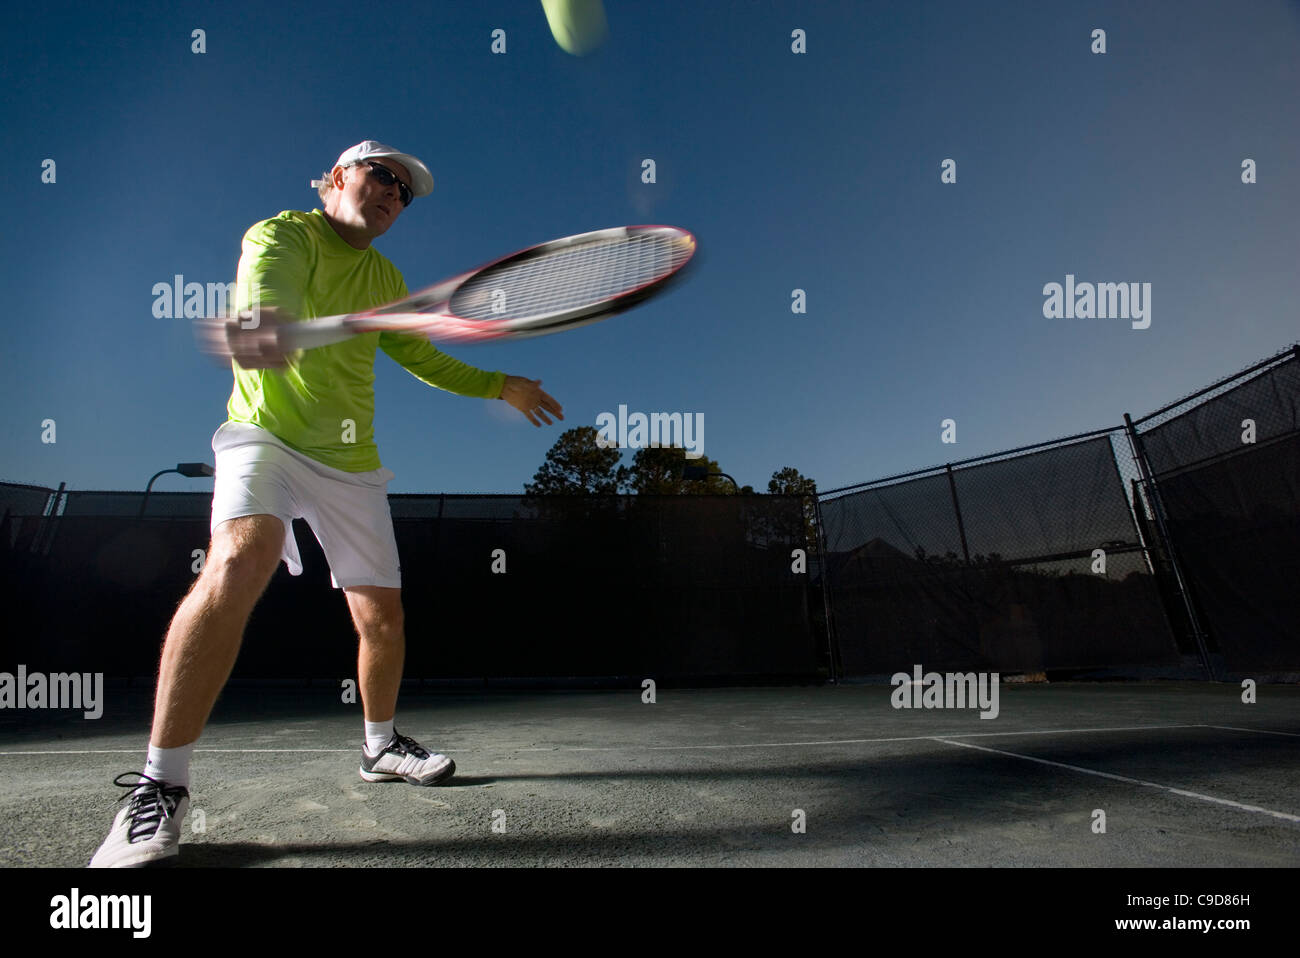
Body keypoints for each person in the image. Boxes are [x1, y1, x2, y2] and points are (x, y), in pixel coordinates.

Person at [90, 140, 563, 867]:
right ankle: (159, 788)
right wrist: (263, 328)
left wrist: (500, 384)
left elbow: (420, 356)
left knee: (382, 616)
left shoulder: (384, 276)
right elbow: (263, 306)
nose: (393, 196)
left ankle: (380, 747)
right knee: (239, 562)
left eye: (404, 193)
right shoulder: (281, 235)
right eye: (384, 177)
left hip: (350, 463)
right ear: (339, 178)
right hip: (265, 438)